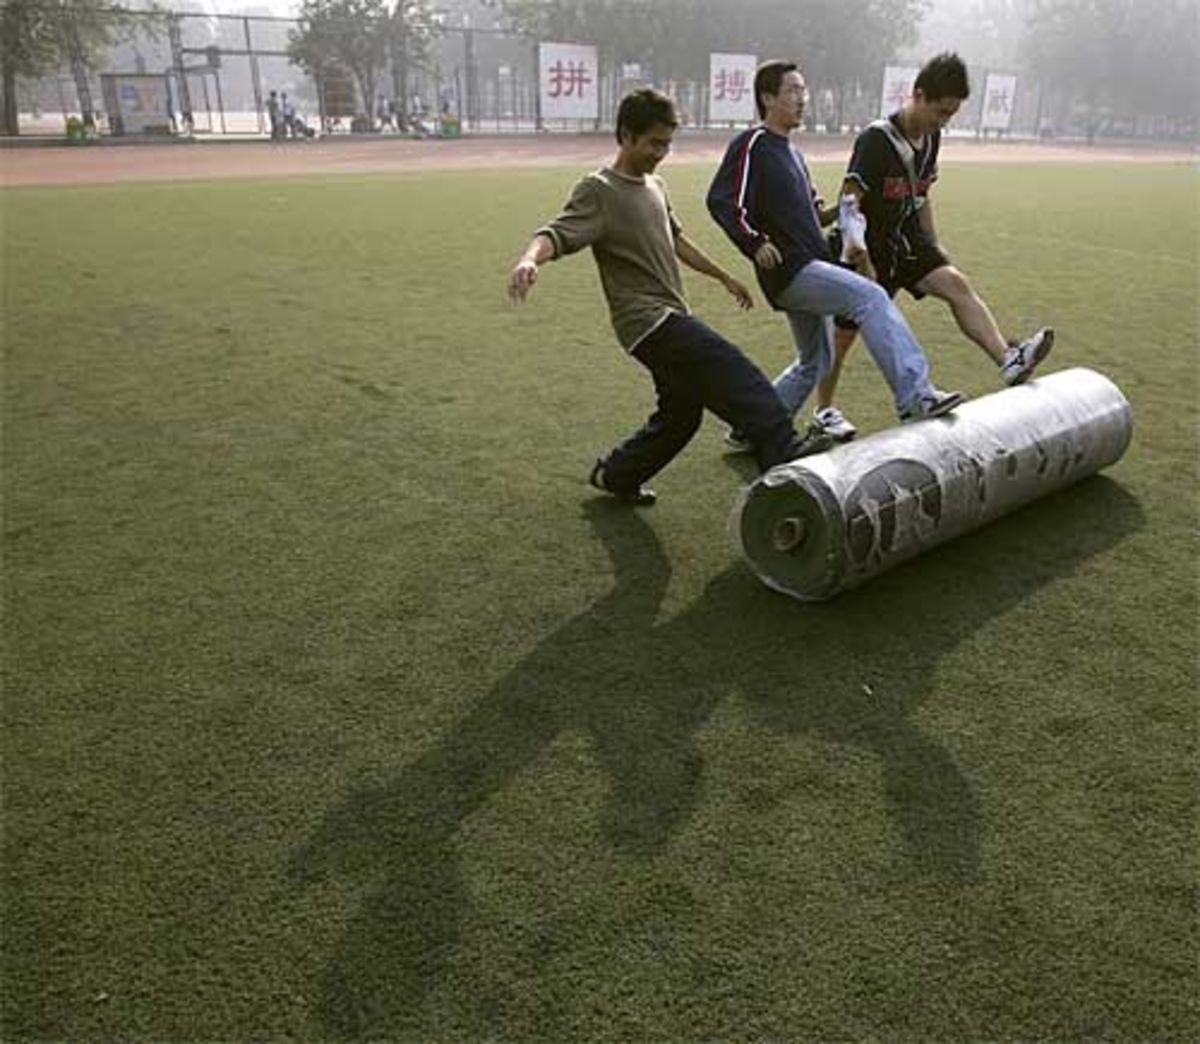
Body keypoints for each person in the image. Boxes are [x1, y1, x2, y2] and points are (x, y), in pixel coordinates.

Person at [507, 88, 830, 506]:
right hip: (645, 320)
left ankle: (616, 474)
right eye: (654, 143)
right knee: (727, 364)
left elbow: (677, 240)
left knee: (681, 415)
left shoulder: (656, 184)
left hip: (669, 314)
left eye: (667, 143)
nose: (661, 152)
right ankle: (782, 448)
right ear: (626, 135)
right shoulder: (598, 189)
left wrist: (723, 277)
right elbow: (556, 232)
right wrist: (529, 260)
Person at [707, 60, 964, 451]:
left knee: (814, 362)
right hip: (791, 269)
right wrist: (755, 243)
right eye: (793, 90)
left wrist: (847, 207)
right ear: (768, 97)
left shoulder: (793, 154)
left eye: (803, 90)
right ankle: (915, 396)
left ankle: (752, 426)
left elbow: (815, 211)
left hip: (811, 265)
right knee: (870, 296)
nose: (802, 99)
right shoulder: (753, 143)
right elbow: (723, 200)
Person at [814, 52, 1053, 441]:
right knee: (841, 339)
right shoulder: (876, 140)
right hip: (865, 247)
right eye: (940, 112)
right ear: (918, 94)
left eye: (951, 115)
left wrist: (934, 247)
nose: (943, 122)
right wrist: (859, 255)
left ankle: (1008, 359)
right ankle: (823, 410)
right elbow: (849, 202)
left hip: (907, 241)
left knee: (956, 284)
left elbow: (923, 194)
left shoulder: (932, 138)